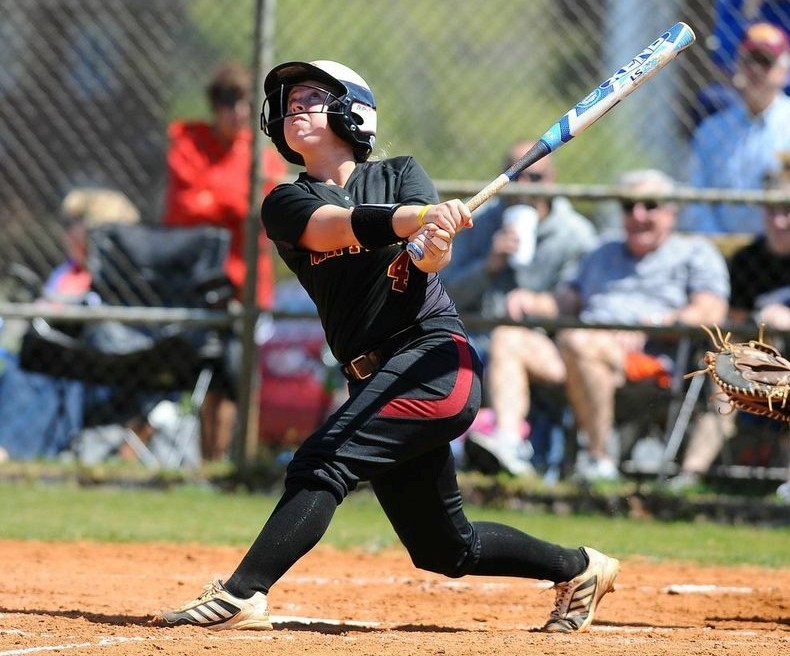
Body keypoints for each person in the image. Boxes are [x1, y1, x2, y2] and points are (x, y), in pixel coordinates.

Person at [156, 59, 619, 633]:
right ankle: (581, 569)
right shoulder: (285, 201)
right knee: (445, 549)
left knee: (322, 462)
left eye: (311, 97)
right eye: (289, 101)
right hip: (374, 379)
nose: (295, 107)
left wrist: (433, 236)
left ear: (353, 111)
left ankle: (243, 593)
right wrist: (417, 217)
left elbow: (430, 260)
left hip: (432, 361)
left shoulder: (402, 173)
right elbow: (337, 227)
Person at [508, 170, 730, 481]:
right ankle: (510, 448)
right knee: (510, 337)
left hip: (647, 361)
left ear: (671, 212)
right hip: (578, 352)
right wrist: (530, 301)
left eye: (650, 205)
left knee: (578, 340)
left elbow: (711, 311)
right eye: (628, 206)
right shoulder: (602, 252)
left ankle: (599, 460)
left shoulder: (694, 252)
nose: (638, 214)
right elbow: (565, 302)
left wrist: (653, 324)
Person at [441, 140, 597, 477]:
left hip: (545, 346)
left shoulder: (576, 235)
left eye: (535, 177)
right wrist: (489, 266)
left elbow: (583, 304)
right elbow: (443, 293)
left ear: (552, 180)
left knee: (508, 339)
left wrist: (539, 304)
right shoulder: (479, 223)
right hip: (473, 337)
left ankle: (510, 444)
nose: (525, 186)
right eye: (517, 176)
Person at [161, 60, 288, 461]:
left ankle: (233, 463)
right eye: (230, 104)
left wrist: (213, 197)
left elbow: (269, 212)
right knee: (205, 376)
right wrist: (236, 203)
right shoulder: (189, 142)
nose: (237, 114)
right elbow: (182, 209)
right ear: (215, 107)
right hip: (198, 282)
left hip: (247, 282)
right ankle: (206, 463)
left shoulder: (262, 156)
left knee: (237, 376)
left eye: (245, 105)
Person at [669, 152, 790, 492]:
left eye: (788, 213)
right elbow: (732, 323)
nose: (780, 222)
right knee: (725, 370)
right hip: (762, 359)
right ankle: (690, 477)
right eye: (773, 212)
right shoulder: (747, 260)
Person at [682, 22, 790, 235]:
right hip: (716, 249)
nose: (756, 70)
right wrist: (719, 245)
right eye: (750, 60)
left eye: (766, 61)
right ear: (738, 65)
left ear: (784, 71)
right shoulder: (711, 130)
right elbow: (694, 198)